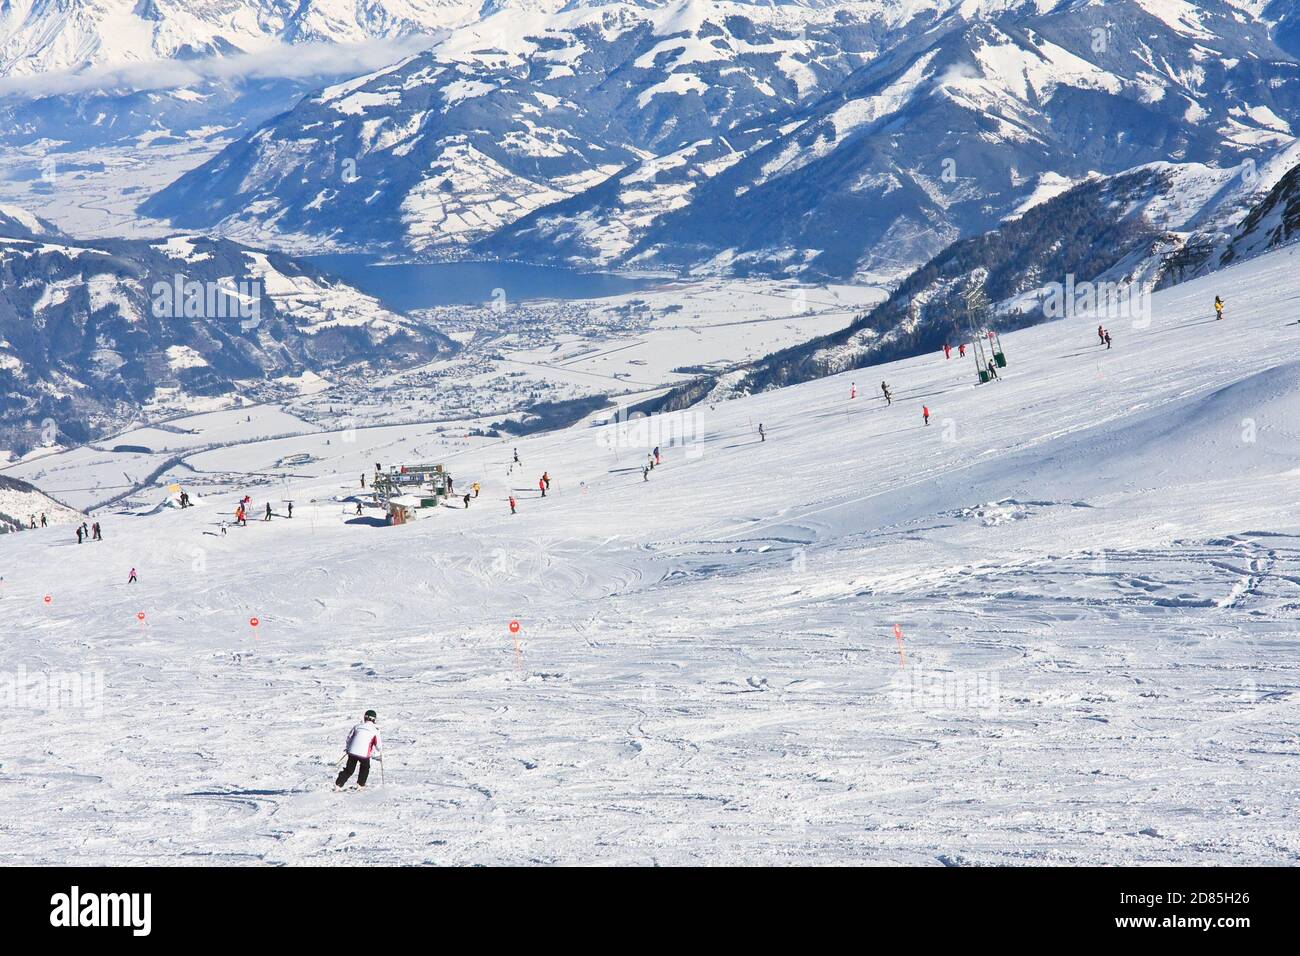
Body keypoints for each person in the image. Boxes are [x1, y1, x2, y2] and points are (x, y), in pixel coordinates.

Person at [334, 710, 382, 791]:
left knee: (349, 769)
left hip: (352, 752)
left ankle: (338, 784)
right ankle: (360, 785)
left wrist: (348, 748)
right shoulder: (375, 730)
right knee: (365, 768)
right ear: (374, 720)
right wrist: (380, 751)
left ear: (365, 718)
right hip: (364, 754)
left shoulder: (357, 726)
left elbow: (349, 738)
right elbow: (378, 744)